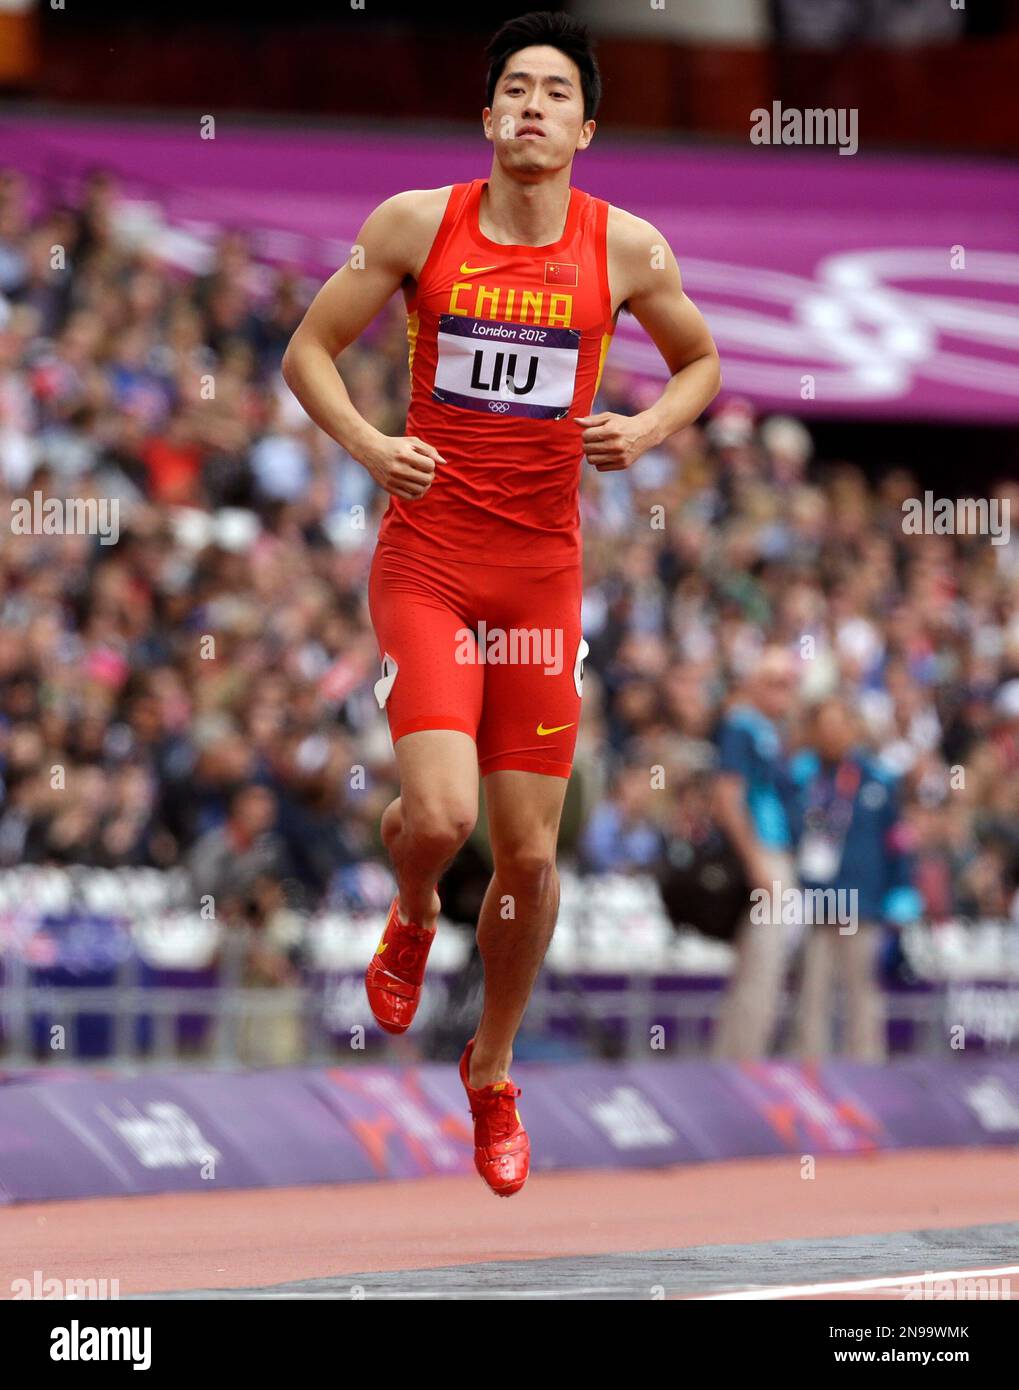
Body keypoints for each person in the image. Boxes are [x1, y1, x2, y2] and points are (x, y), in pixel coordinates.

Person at [282, 10, 720, 1195]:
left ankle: (489, 1070)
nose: (531, 106)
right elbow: (305, 351)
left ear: (587, 125)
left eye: (553, 92)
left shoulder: (627, 249)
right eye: (513, 89)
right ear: (487, 117)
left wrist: (646, 427)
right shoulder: (416, 225)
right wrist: (372, 445)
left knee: (528, 853)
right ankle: (414, 906)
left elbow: (701, 361)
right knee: (435, 815)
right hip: (426, 560)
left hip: (541, 574)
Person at [790, 696, 920, 1060]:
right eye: (825, 726)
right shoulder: (802, 777)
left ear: (853, 728)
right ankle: (807, 1070)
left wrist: (901, 891)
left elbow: (898, 841)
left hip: (862, 905)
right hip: (816, 904)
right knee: (812, 992)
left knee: (862, 992)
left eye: (839, 724)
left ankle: (865, 1071)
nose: (832, 734)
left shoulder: (878, 780)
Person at [711, 646, 800, 1059]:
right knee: (761, 968)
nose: (785, 693)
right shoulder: (742, 726)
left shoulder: (767, 730)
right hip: (765, 853)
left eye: (789, 684)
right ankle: (744, 1063)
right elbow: (728, 797)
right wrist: (755, 861)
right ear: (754, 684)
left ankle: (740, 1058)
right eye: (775, 683)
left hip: (774, 851)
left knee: (764, 965)